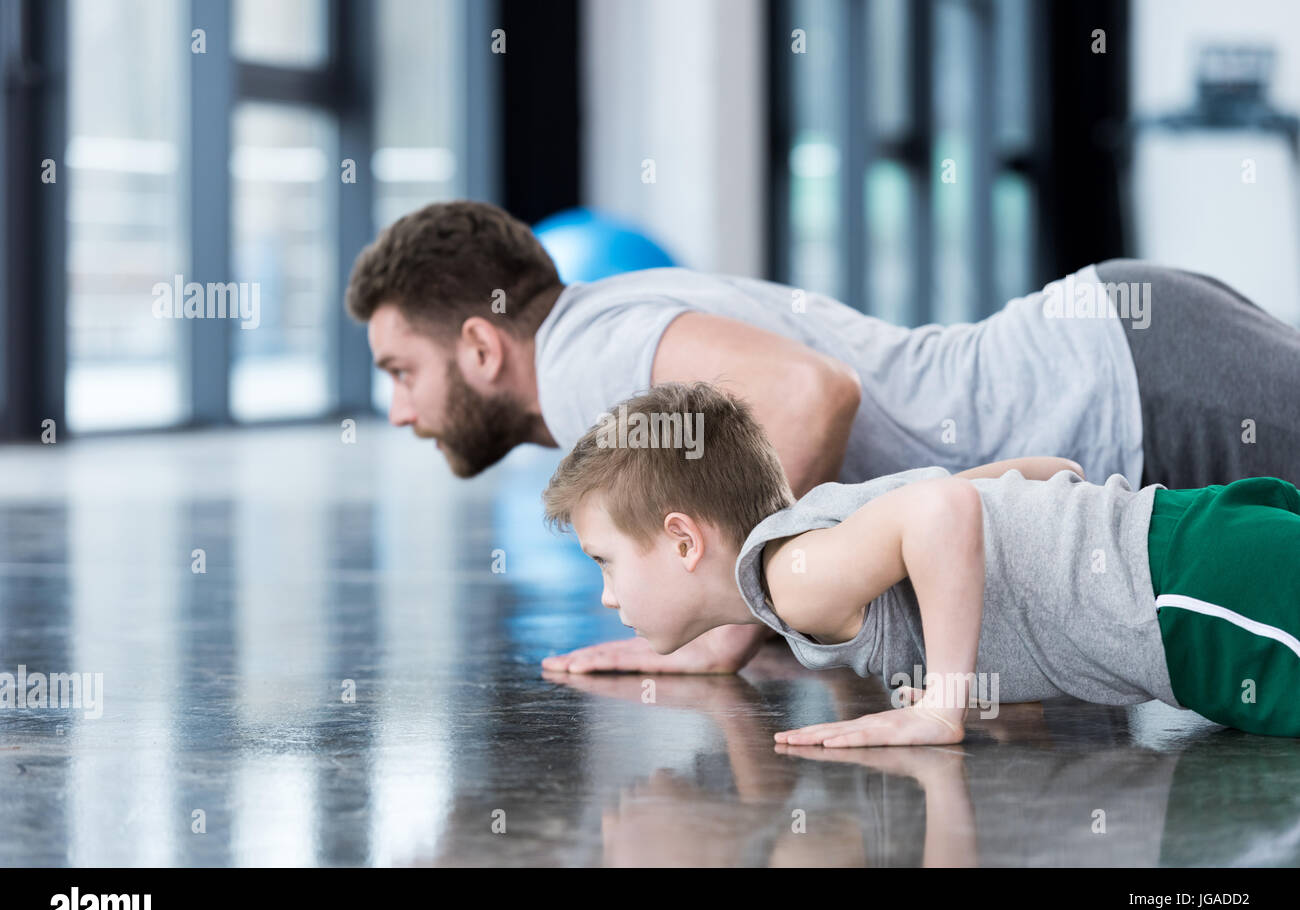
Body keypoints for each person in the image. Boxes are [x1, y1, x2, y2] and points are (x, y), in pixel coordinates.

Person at [345, 199, 1300, 676]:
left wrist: (725, 624)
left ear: (478, 346)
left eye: (401, 372)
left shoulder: (582, 359)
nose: (397, 409)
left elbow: (810, 394)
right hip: (1126, 358)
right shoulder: (601, 323)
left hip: (1130, 382)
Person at [541, 382, 1300, 745]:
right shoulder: (830, 520)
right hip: (1199, 540)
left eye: (605, 561)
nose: (608, 597)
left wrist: (943, 703)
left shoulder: (791, 578)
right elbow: (1041, 470)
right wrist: (1027, 655)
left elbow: (944, 514)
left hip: (1192, 596)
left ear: (682, 541)